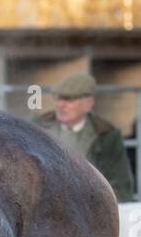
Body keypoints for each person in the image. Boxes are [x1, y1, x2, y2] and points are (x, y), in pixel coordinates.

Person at [34, 72, 134, 202]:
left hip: (89, 209)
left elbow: (120, 185)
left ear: (88, 103)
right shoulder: (37, 129)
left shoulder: (106, 136)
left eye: (69, 99)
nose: (61, 105)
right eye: (59, 98)